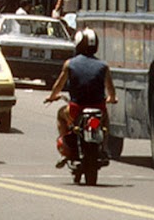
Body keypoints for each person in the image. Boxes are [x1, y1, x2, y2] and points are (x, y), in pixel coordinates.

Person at [43, 27, 117, 167]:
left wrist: (52, 97)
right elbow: (111, 91)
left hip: (75, 110)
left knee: (60, 114)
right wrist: (112, 99)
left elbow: (58, 86)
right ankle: (104, 147)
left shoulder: (70, 64)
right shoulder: (103, 66)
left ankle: (66, 146)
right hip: (98, 110)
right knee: (105, 123)